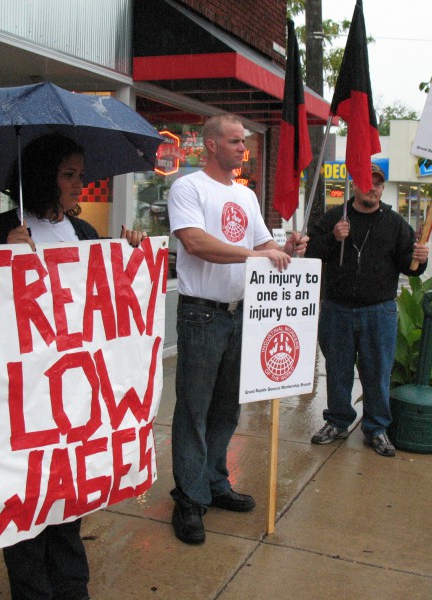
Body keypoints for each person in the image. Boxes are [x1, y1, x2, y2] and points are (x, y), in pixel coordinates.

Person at [0, 133, 143, 600]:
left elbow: (105, 305)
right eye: (68, 175)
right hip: (19, 400)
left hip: (72, 398)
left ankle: (71, 587)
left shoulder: (84, 234)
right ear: (42, 178)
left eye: (80, 175)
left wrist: (128, 253)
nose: (78, 185)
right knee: (25, 499)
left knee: (68, 498)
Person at [167, 113, 307, 545]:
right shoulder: (187, 188)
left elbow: (263, 245)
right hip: (201, 314)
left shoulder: (245, 195)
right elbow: (195, 242)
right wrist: (254, 254)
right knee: (194, 410)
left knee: (227, 407)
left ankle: (213, 481)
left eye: (243, 142)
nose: (243, 149)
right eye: (234, 141)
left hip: (241, 313)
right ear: (211, 145)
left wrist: (284, 249)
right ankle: (189, 498)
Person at [305, 164, 429, 457]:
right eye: (365, 181)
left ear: (382, 189)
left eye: (377, 183)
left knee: (377, 372)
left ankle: (376, 428)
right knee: (337, 370)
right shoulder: (335, 218)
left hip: (379, 311)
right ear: (354, 184)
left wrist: (420, 259)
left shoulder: (395, 223)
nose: (371, 188)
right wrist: (334, 238)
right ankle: (337, 422)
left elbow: (410, 267)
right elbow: (310, 253)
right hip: (337, 309)